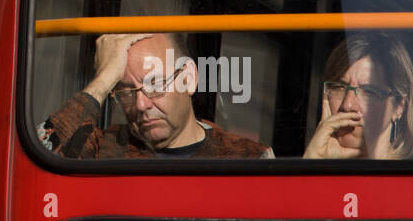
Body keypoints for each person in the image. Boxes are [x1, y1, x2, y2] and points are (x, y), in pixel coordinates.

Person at [38, 32, 274, 158]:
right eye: (126, 92)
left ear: (188, 78)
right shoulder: (102, 148)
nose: (141, 104)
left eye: (155, 84)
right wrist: (104, 78)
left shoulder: (246, 158)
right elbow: (39, 155)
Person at [303, 33, 413, 159]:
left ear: (399, 106)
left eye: (369, 91)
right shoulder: (318, 163)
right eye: (339, 87)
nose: (348, 105)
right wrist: (312, 166)